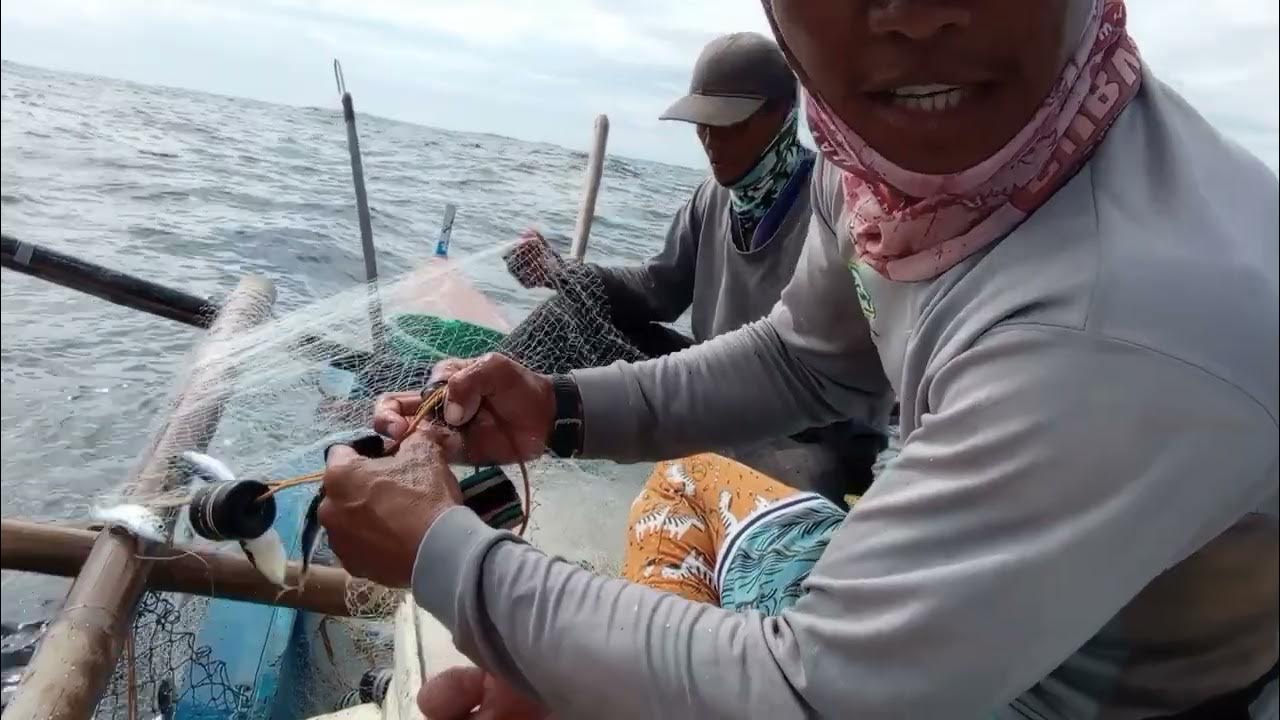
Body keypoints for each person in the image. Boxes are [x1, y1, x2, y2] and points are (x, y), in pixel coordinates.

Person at [320, 1, 1280, 718]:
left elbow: (813, 694)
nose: (914, 13)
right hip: (886, 655)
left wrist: (448, 557)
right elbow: (800, 358)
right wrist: (557, 407)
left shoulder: (1123, 322)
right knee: (685, 487)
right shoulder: (904, 184)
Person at [503, 31, 892, 503]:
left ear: (783, 114)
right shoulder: (712, 196)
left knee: (794, 496)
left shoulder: (835, 205)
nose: (709, 141)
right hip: (719, 394)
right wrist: (560, 272)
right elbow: (658, 291)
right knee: (569, 317)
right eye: (701, 125)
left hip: (813, 430)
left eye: (726, 125)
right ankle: (482, 429)